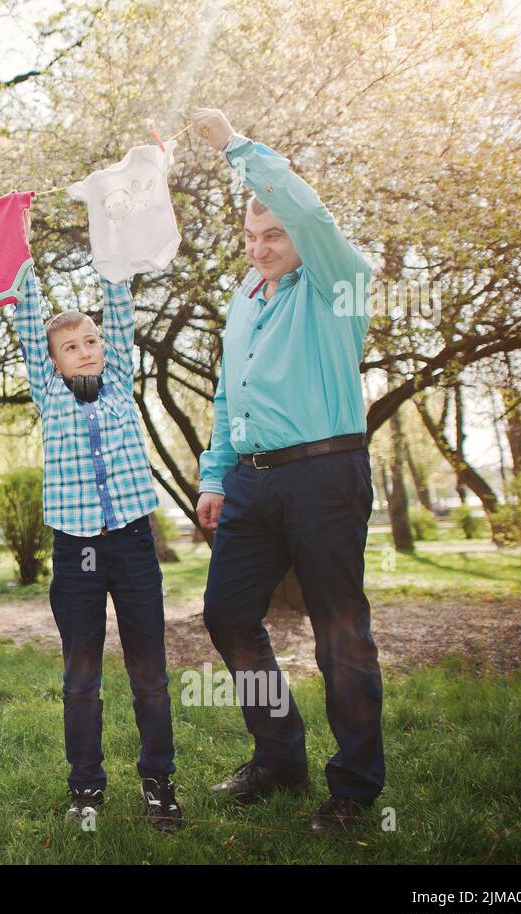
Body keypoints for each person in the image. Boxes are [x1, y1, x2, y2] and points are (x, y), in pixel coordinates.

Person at [190, 107, 382, 835]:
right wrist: (214, 476)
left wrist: (236, 147)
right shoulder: (243, 299)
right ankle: (280, 754)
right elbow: (223, 392)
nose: (262, 246)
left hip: (325, 475)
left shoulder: (338, 283)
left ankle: (357, 786)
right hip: (251, 479)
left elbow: (308, 208)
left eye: (274, 233)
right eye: (251, 235)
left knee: (340, 631)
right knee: (228, 612)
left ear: (300, 235)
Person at [10, 210, 181, 830]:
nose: (84, 352)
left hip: (134, 545)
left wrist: (110, 218)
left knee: (149, 672)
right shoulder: (50, 392)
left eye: (91, 342)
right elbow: (30, 317)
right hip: (76, 552)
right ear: (51, 362)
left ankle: (158, 781)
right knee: (82, 675)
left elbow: (118, 297)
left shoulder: (120, 383)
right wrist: (19, 240)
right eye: (70, 347)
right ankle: (86, 787)